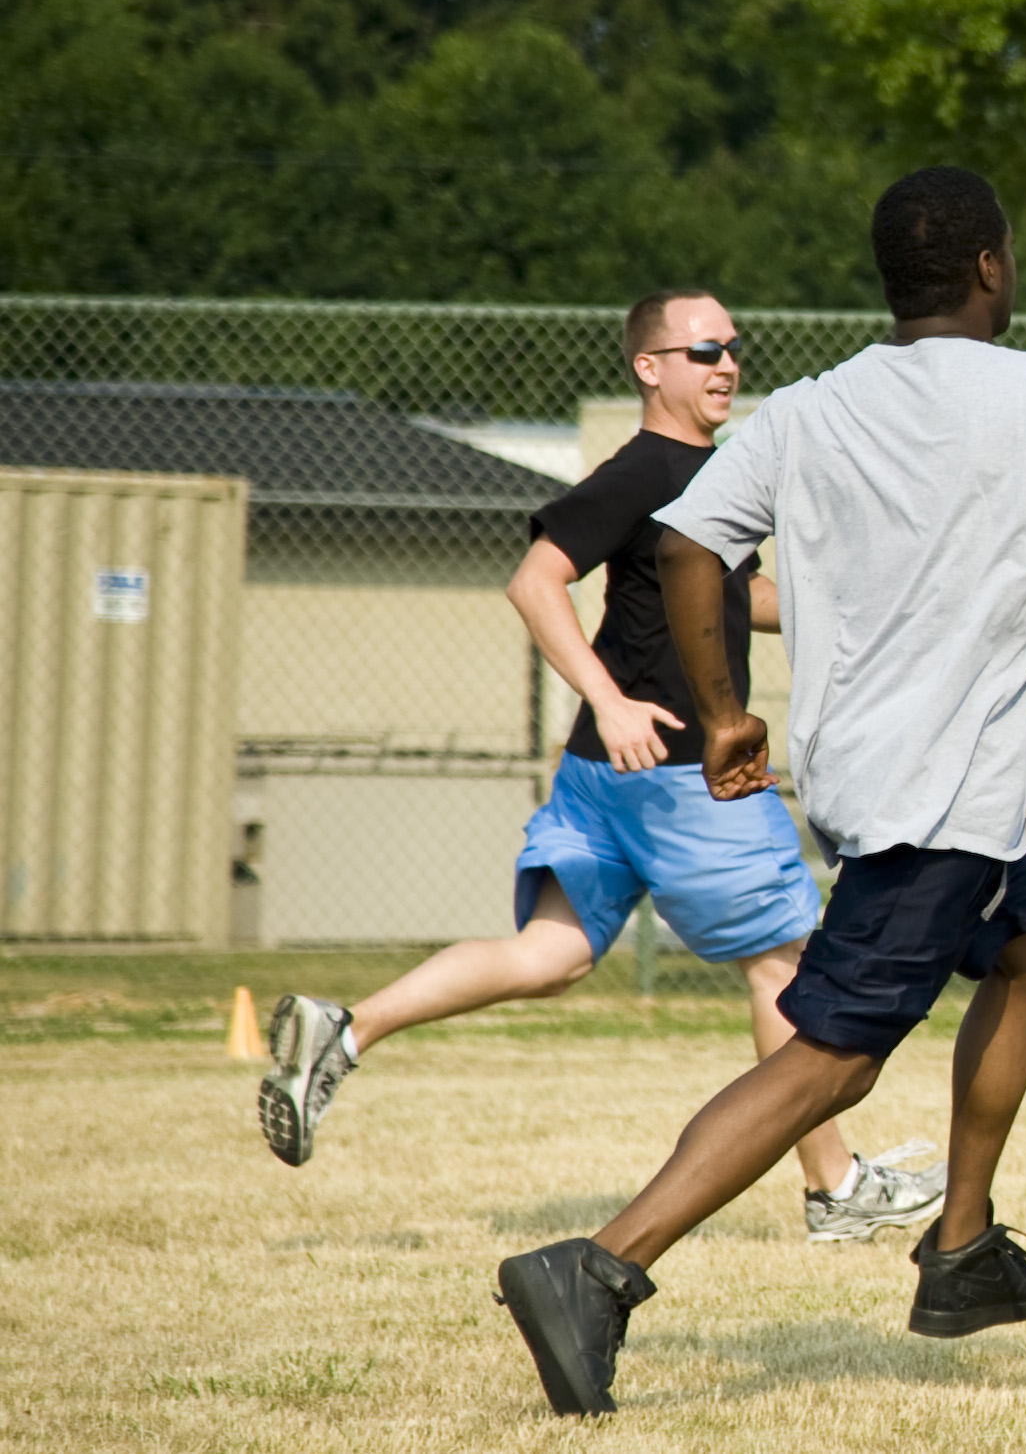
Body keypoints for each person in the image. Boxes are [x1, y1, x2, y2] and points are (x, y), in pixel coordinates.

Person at [491, 167, 1026, 1417]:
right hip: (939, 806)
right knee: (831, 1063)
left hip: (892, 786)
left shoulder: (811, 408)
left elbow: (688, 543)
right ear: (989, 268)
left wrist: (725, 712)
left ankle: (961, 1246)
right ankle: (597, 1268)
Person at [256, 289, 944, 1244]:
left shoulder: (706, 471)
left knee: (552, 956)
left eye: (732, 347)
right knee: (784, 966)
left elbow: (733, 594)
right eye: (702, 350)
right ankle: (835, 1188)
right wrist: (611, 700)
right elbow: (534, 581)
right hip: (680, 772)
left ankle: (346, 1029)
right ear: (648, 368)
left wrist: (858, 610)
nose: (726, 364)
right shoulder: (645, 470)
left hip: (604, 775)